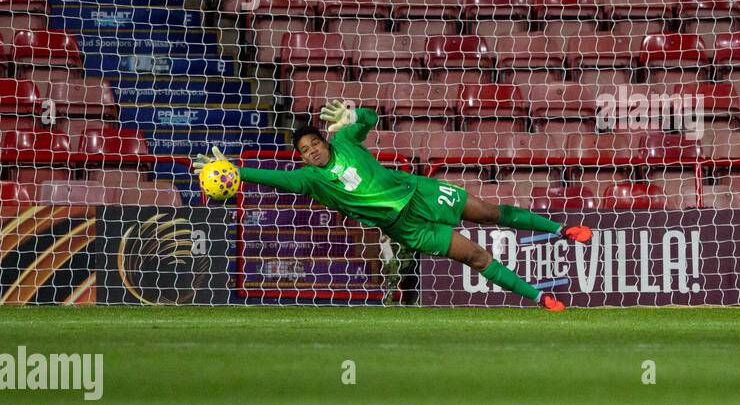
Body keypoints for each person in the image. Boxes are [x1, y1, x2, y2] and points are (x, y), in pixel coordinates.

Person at [194, 100, 590, 311]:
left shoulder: (346, 142)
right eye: (304, 150)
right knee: (476, 256)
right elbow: (271, 176)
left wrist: (353, 113)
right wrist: (234, 171)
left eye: (314, 142)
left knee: (488, 212)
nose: (311, 150)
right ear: (301, 158)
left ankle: (561, 230)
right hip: (408, 228)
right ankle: (540, 298)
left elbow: (371, 118)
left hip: (418, 191)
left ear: (325, 141)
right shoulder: (310, 180)